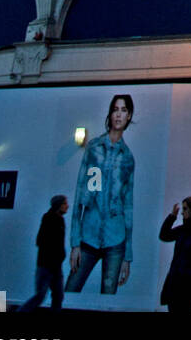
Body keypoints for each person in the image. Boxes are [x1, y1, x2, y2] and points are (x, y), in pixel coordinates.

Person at [66, 93, 135, 295]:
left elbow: (128, 205)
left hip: (115, 238)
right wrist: (75, 243)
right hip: (89, 234)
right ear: (110, 113)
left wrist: (127, 256)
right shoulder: (94, 148)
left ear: (129, 115)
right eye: (115, 109)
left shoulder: (128, 158)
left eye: (123, 110)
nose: (118, 115)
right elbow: (81, 195)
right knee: (71, 290)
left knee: (107, 298)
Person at [159, 198, 191, 314]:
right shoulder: (183, 230)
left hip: (188, 286)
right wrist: (172, 216)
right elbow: (164, 235)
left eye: (185, 209)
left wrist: (189, 277)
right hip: (174, 283)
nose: (182, 212)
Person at [19, 196, 68, 311]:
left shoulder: (58, 219)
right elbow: (41, 240)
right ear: (59, 205)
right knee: (41, 296)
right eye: (65, 203)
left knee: (57, 295)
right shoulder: (50, 218)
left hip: (54, 265)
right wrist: (56, 256)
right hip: (47, 265)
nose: (67, 206)